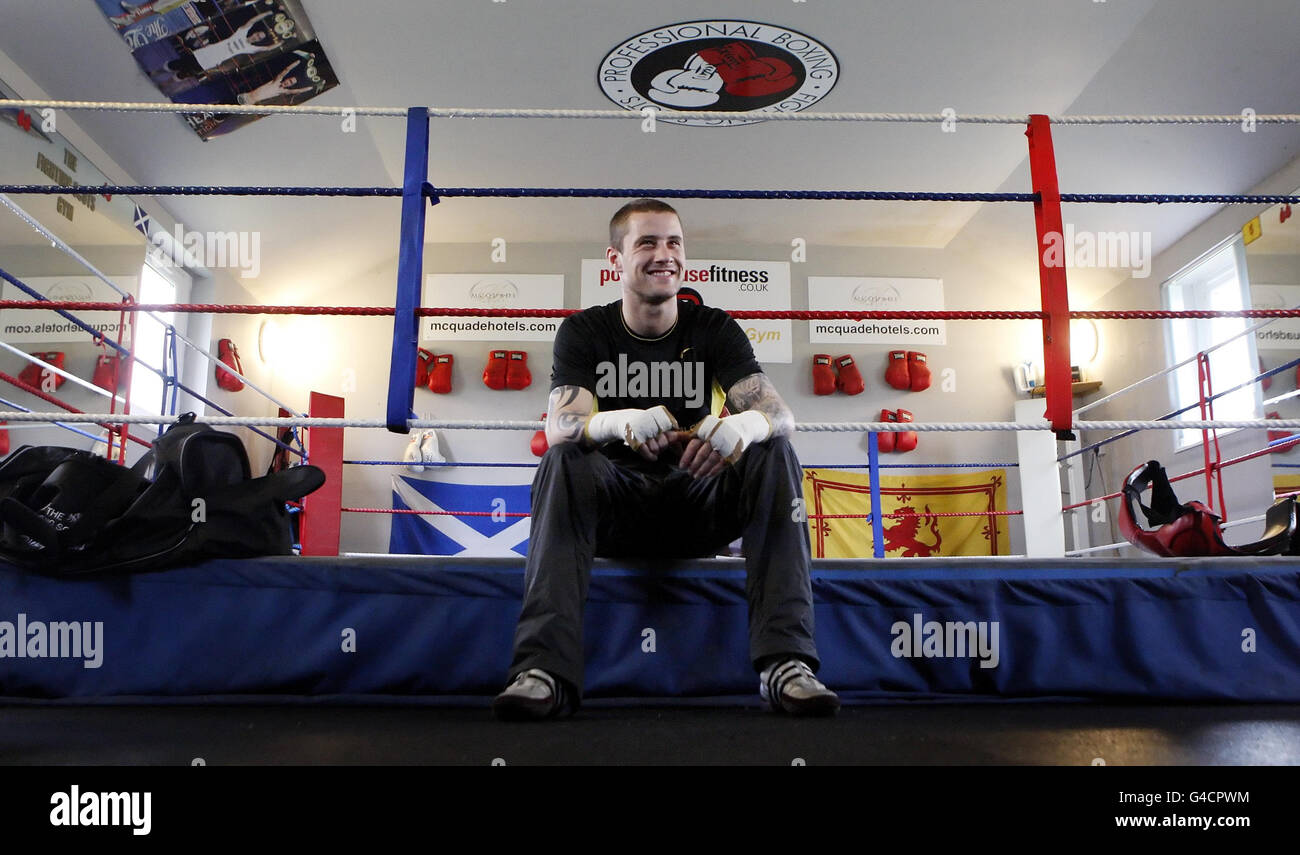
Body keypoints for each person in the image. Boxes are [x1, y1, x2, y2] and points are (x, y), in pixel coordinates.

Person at [493, 199, 839, 719]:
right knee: (562, 460)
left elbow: (779, 414)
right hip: (617, 510)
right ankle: (543, 670)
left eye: (674, 242)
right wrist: (615, 423)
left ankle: (785, 663)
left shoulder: (714, 328)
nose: (664, 255)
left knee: (773, 449)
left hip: (697, 506)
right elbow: (559, 426)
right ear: (616, 259)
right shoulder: (586, 332)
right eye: (647, 243)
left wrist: (740, 428)